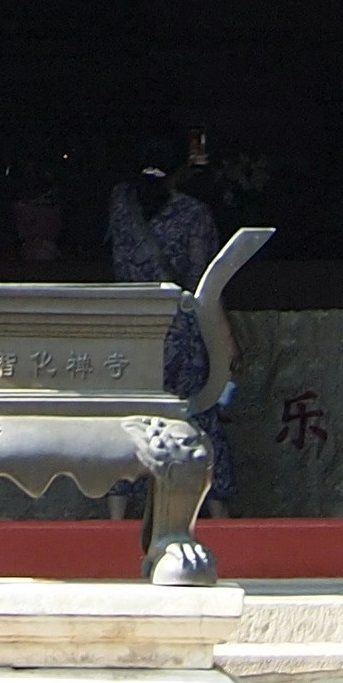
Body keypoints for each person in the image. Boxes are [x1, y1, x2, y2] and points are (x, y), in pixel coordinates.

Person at [107, 134, 234, 513]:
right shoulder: (194, 216)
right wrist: (227, 338)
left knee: (126, 425)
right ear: (179, 169)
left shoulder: (120, 206)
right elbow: (204, 285)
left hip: (129, 334)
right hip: (180, 333)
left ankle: (117, 519)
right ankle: (217, 513)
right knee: (199, 421)